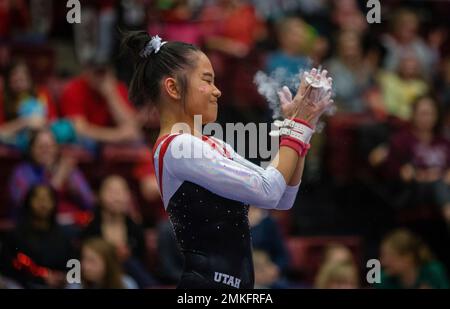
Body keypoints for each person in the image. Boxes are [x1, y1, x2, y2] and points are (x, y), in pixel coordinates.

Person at [122, 31, 333, 289]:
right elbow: (269, 191)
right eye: (207, 80)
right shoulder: (178, 147)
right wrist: (296, 126)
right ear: (173, 87)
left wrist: (301, 124)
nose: (217, 91)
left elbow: (281, 197)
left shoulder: (211, 144)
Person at [8, 128, 95, 223]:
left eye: (50, 146)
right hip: (38, 226)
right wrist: (58, 179)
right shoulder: (22, 172)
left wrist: (71, 185)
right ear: (31, 149)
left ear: (57, 149)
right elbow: (27, 206)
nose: (46, 151)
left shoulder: (68, 170)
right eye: (41, 147)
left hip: (71, 222)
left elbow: (89, 202)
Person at [1, 184, 74, 288]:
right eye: (38, 198)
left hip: (60, 284)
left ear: (54, 203)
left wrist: (64, 276)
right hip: (26, 284)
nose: (43, 202)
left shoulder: (64, 234)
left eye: (48, 198)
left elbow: (73, 262)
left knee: (75, 284)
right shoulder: (15, 235)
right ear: (29, 202)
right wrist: (41, 278)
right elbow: (9, 268)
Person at [377, 229, 449, 289]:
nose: (383, 262)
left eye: (388, 257)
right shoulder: (383, 280)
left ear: (408, 257)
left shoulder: (433, 272)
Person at [67, 237, 138, 289]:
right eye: (83, 259)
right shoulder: (75, 285)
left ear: (108, 263)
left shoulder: (126, 284)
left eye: (91, 261)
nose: (85, 266)